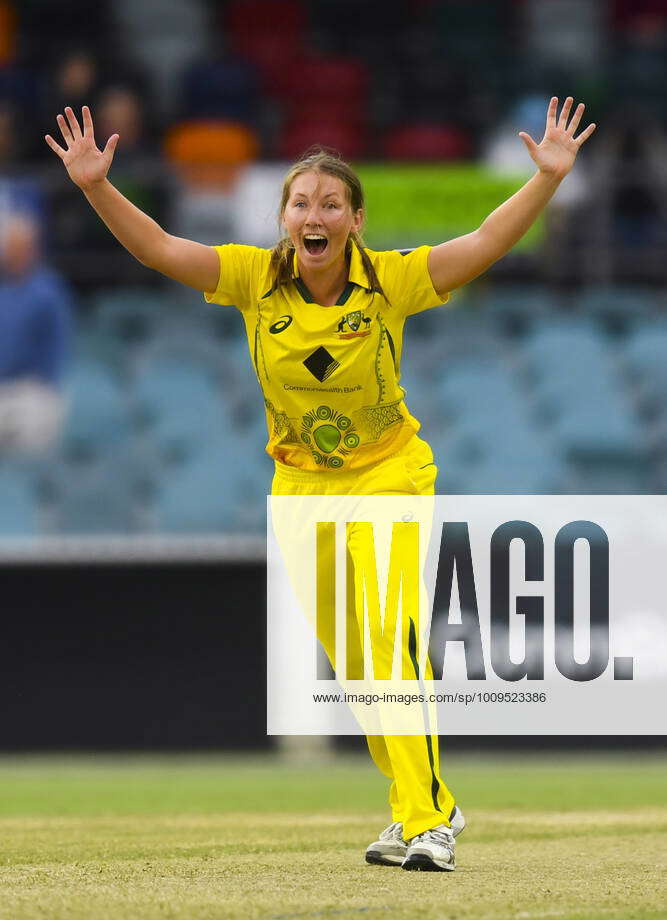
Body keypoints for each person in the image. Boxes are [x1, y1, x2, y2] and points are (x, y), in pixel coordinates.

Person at [45, 97, 596, 871]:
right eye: (301, 202)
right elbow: (162, 250)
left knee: (389, 635)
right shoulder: (251, 279)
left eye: (330, 203)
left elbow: (481, 241)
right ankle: (411, 812)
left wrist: (544, 182)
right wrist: (97, 187)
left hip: (389, 474)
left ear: (354, 220)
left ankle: (432, 818)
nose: (315, 213)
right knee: (355, 662)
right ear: (283, 219)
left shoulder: (392, 282)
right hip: (301, 489)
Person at [0, 211, 71, 454]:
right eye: (9, 247)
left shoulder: (48, 291)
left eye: (18, 247)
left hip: (35, 391)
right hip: (4, 389)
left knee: (30, 462)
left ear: (32, 249)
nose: (11, 253)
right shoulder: (5, 291)